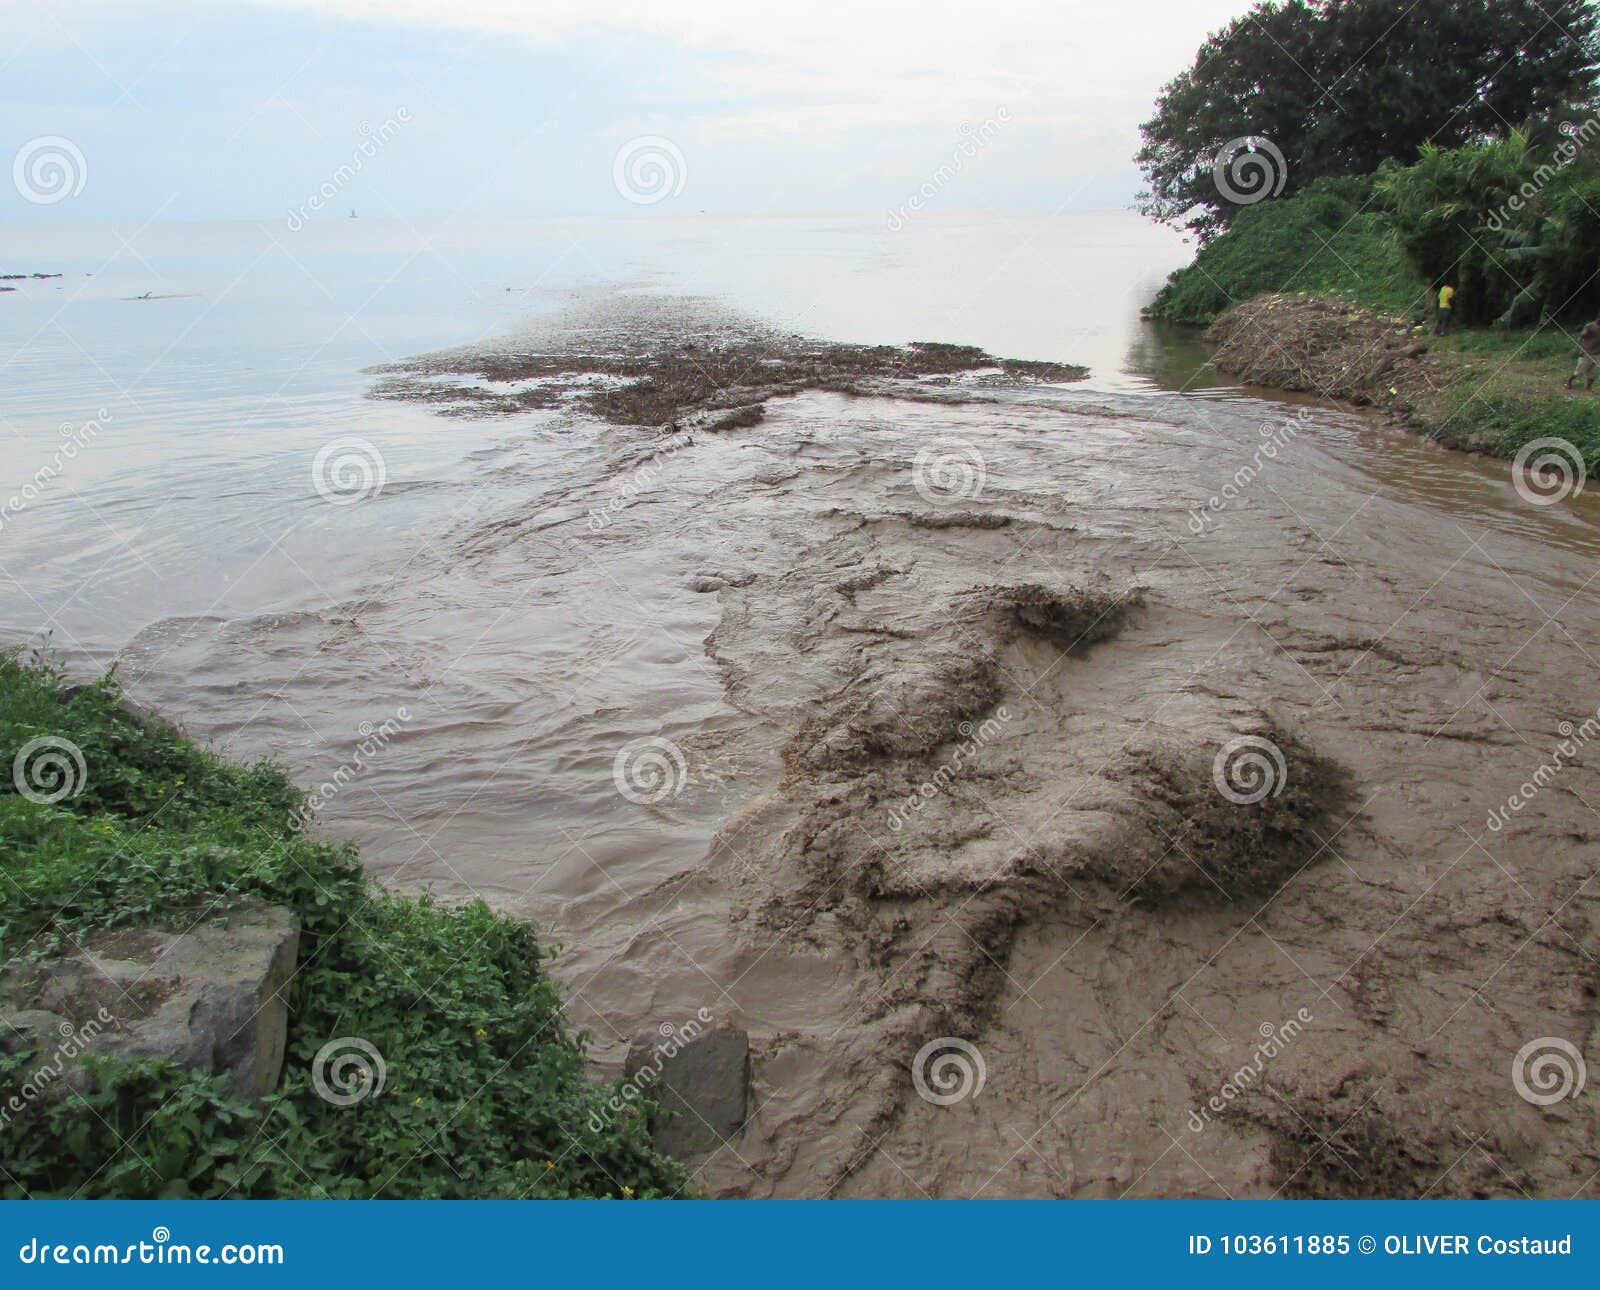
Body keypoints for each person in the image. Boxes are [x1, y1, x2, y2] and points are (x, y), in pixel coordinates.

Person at [1564, 319, 1600, 390]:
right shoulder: (1590, 326)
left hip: (1598, 353)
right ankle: (1569, 381)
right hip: (1587, 352)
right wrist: (1581, 348)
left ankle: (1588, 388)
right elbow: (1581, 336)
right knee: (1580, 371)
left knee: (1595, 371)